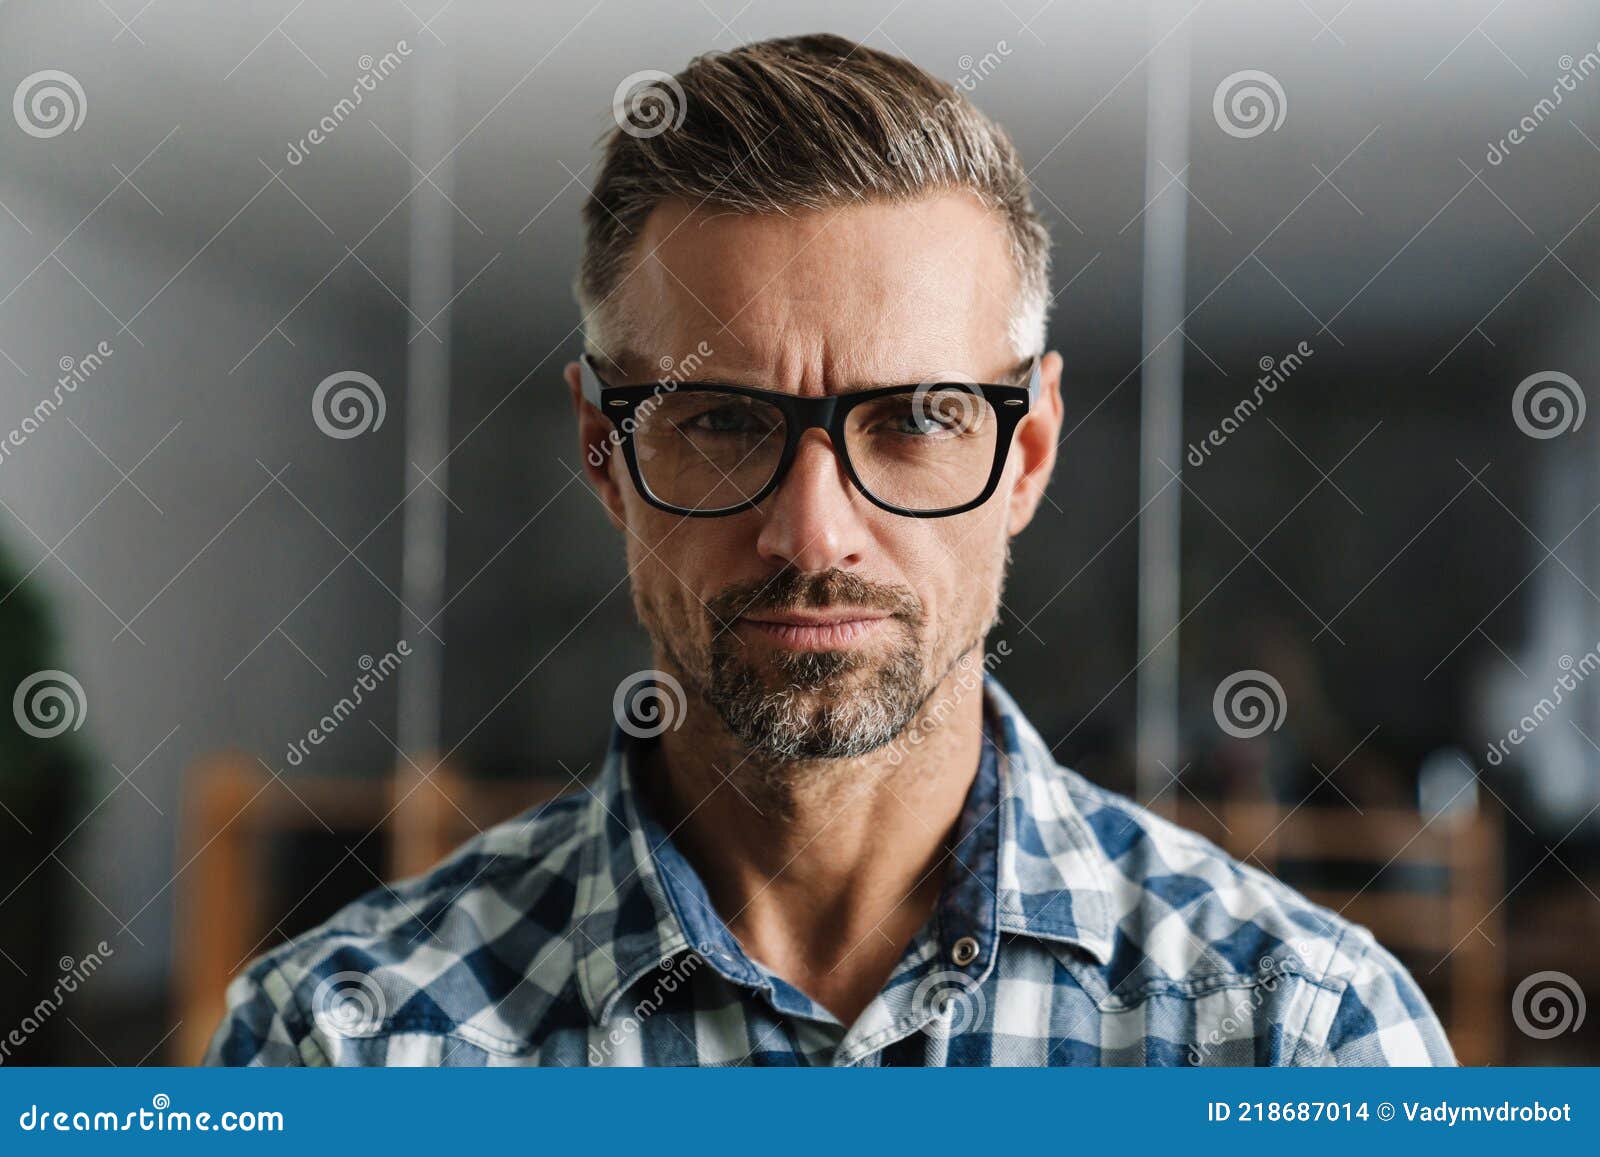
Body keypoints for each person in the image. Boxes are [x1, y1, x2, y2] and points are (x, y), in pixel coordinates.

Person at [205, 33, 1453, 1067]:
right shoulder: (343, 1041)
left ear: (1024, 454)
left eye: (913, 419)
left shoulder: (1304, 1032)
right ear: (602, 450)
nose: (811, 529)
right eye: (722, 420)